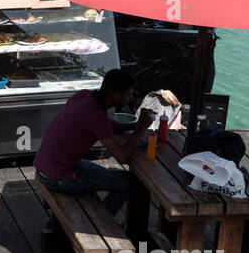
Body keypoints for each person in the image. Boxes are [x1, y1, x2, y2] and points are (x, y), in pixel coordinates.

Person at [33, 68, 156, 215]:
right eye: (128, 94)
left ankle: (56, 227)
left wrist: (135, 125)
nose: (130, 99)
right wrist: (140, 129)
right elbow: (122, 158)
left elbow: (106, 125)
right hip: (57, 176)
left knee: (110, 175)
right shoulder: (97, 116)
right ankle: (105, 222)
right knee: (130, 182)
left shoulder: (84, 96)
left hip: (46, 165)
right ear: (116, 97)